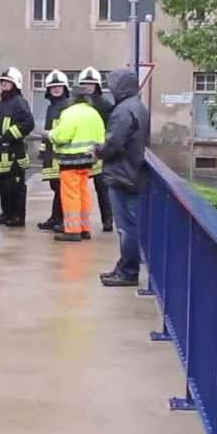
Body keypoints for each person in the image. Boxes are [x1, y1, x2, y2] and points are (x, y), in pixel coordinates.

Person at [95, 68, 151, 286]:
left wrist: (98, 151)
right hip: (133, 172)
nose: (110, 89)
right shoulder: (138, 107)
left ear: (121, 87)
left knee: (126, 227)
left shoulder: (123, 111)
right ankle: (124, 266)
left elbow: (114, 142)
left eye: (113, 85)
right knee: (128, 225)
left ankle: (128, 272)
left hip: (123, 174)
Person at [39, 86, 105, 242]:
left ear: (73, 98)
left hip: (70, 161)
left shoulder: (69, 113)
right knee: (83, 193)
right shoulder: (94, 113)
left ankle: (72, 230)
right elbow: (101, 137)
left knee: (70, 194)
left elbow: (62, 136)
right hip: (88, 160)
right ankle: (84, 228)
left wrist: (49, 135)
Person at [0, 67, 34, 227]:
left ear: (15, 84)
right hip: (2, 150)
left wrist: (9, 135)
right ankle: (6, 213)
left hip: (14, 150)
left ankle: (17, 216)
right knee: (3, 184)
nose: (4, 84)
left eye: (8, 82)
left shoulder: (19, 102)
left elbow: (28, 123)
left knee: (15, 185)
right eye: (3, 81)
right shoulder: (3, 102)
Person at [78, 66, 116, 233]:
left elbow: (110, 128)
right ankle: (80, 222)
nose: (87, 87)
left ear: (97, 86)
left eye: (90, 84)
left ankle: (107, 219)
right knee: (80, 188)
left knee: (102, 187)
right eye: (84, 84)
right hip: (80, 151)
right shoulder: (78, 106)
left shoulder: (105, 105)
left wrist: (104, 148)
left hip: (99, 152)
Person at [36, 71, 72, 232]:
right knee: (55, 186)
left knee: (60, 187)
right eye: (53, 87)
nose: (56, 89)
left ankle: (60, 219)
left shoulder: (67, 106)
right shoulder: (52, 107)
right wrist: (43, 151)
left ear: (65, 88)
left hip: (62, 153)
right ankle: (55, 217)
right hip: (52, 153)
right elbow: (48, 130)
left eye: (59, 86)